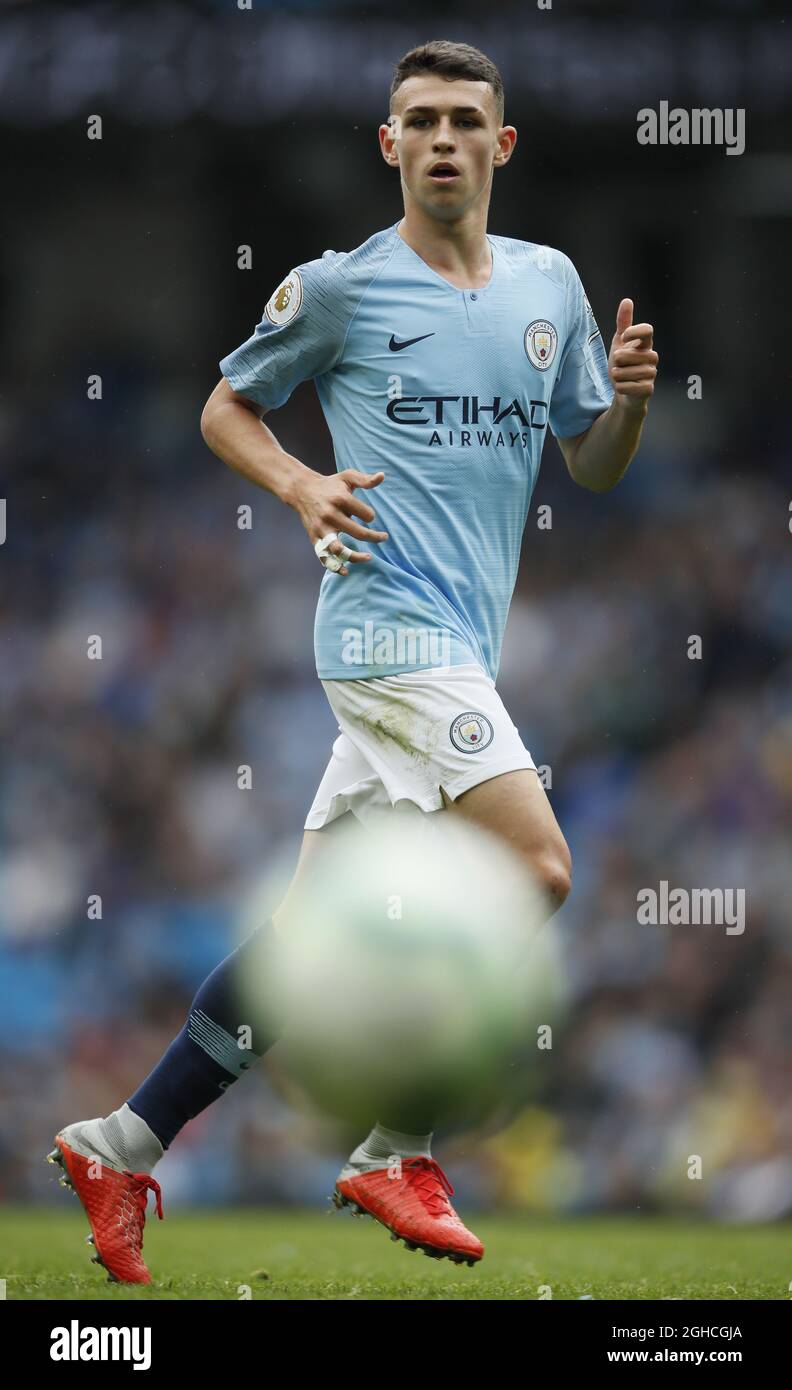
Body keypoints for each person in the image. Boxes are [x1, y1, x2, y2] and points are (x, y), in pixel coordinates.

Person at [49, 39, 657, 1283]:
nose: (442, 139)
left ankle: (119, 1139)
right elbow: (228, 405)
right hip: (384, 630)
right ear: (390, 146)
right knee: (537, 863)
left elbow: (592, 463)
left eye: (463, 121)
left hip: (452, 645)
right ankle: (398, 1143)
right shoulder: (338, 289)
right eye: (419, 120)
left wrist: (634, 402)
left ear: (502, 145)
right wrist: (301, 485)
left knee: (297, 942)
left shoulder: (551, 287)